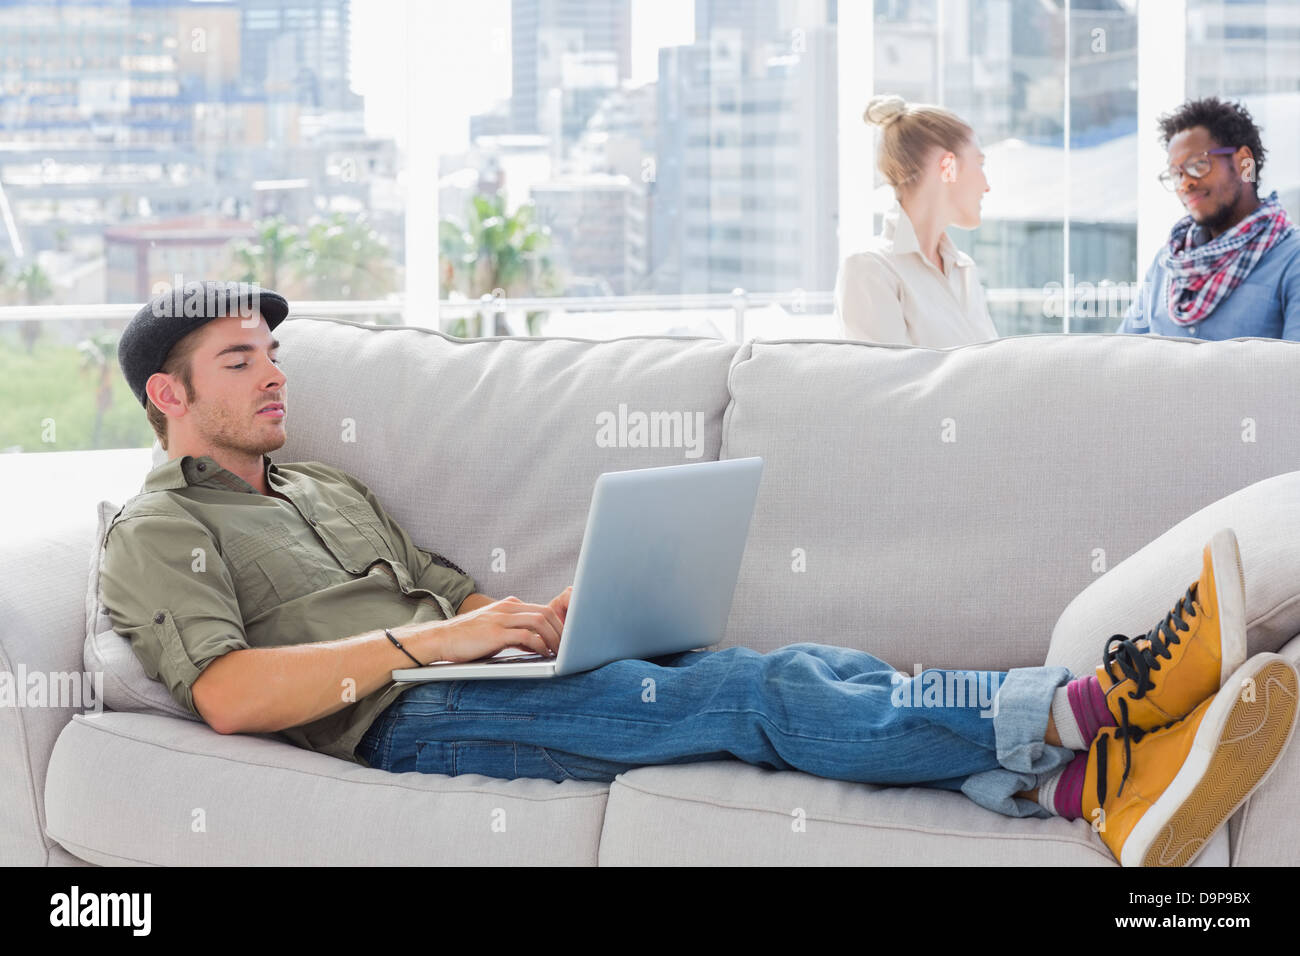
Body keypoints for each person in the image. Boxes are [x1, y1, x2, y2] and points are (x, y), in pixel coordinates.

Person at [100, 281, 1298, 867]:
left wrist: (527, 620)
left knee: (811, 669)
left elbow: (446, 584)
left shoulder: (319, 484)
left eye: (273, 354)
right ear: (170, 393)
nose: (274, 377)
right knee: (751, 692)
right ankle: (1091, 706)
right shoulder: (156, 530)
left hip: (492, 677)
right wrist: (433, 645)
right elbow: (231, 694)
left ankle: (1088, 789)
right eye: (240, 359)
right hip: (411, 721)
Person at [1118, 96, 1300, 340]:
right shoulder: (1165, 265)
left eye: (1197, 165)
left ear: (1245, 163)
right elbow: (1123, 355)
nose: (1185, 183)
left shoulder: (1292, 260)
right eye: (1176, 173)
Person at [834, 94, 999, 347]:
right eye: (980, 163)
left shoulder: (964, 270)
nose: (987, 186)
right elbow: (884, 383)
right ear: (948, 167)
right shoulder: (870, 270)